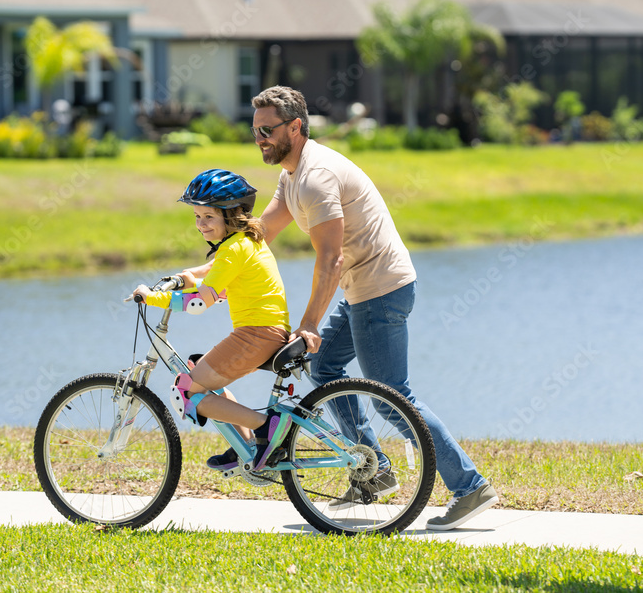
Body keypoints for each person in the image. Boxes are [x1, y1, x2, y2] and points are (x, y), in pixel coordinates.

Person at [248, 85, 497, 530]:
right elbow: (261, 232)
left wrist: (308, 323)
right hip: (366, 290)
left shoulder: (316, 175)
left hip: (379, 290)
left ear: (296, 127)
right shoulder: (292, 176)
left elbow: (331, 258)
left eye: (268, 130)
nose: (261, 139)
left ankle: (469, 486)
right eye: (255, 132)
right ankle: (374, 470)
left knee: (393, 398)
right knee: (324, 368)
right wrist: (207, 267)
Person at [132, 168, 292, 472]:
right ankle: (243, 444)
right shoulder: (245, 241)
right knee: (197, 368)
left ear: (230, 216)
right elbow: (212, 275)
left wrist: (150, 296)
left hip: (256, 335)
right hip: (265, 332)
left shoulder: (233, 250)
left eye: (208, 217)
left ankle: (266, 427)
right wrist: (185, 277)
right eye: (196, 217)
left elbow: (197, 303)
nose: (200, 225)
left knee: (186, 392)